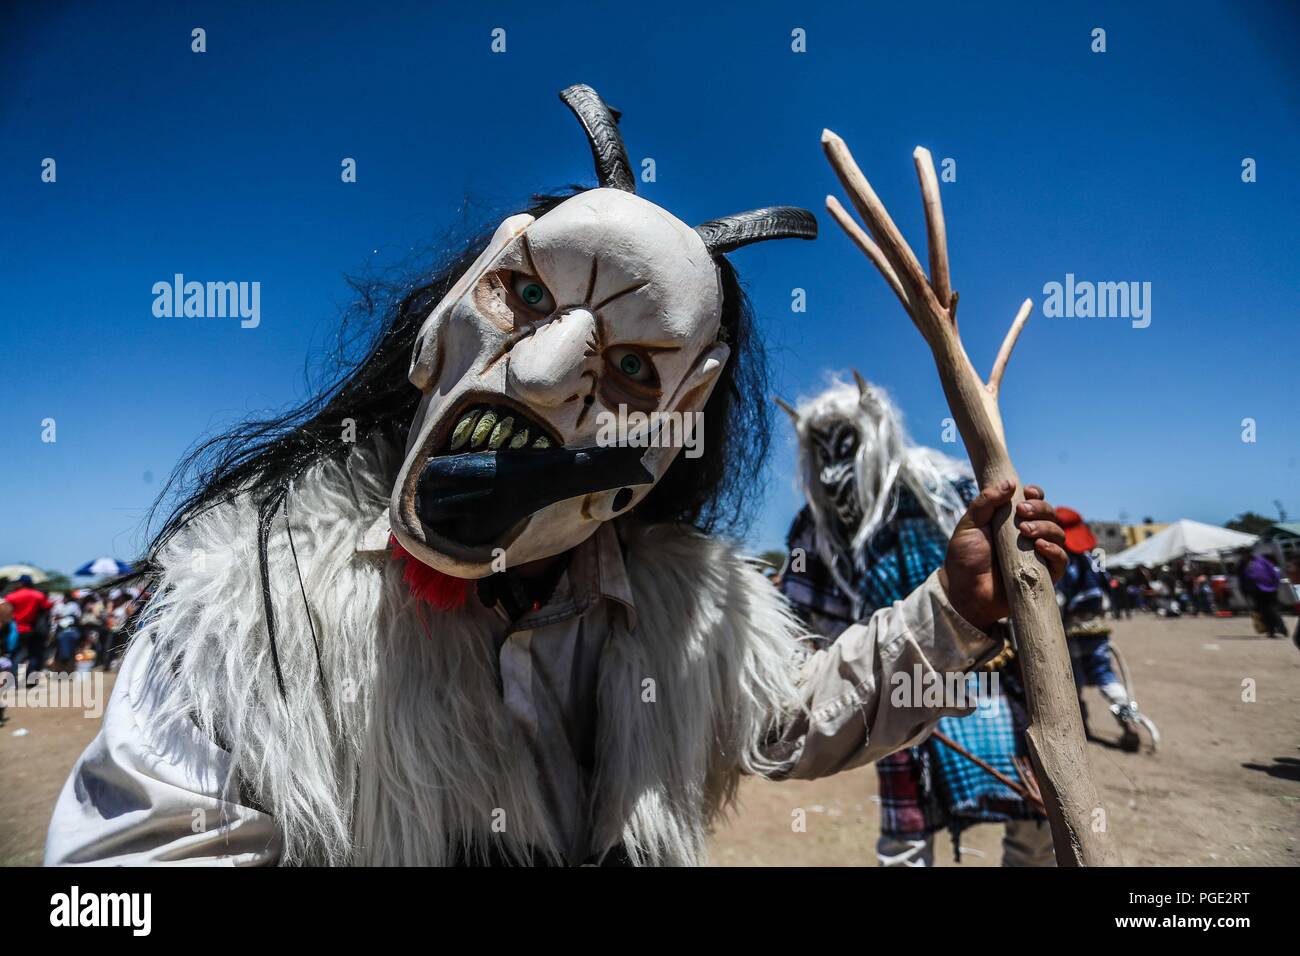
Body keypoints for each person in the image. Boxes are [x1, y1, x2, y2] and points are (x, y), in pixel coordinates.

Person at [47, 85, 1068, 866]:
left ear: (673, 433)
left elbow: (789, 717)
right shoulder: (250, 599)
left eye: (631, 366)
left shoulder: (679, 607)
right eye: (526, 296)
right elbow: (120, 869)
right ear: (437, 324)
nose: (539, 370)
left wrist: (952, 610)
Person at [777, 376, 1054, 867]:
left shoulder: (947, 491)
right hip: (893, 685)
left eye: (847, 448)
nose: (837, 471)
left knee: (1034, 819)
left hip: (986, 672)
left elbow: (1016, 580)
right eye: (823, 452)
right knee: (906, 832)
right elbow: (809, 627)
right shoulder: (815, 531)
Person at [1055, 509, 1145, 751]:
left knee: (1070, 682)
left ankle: (1079, 726)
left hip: (1070, 629)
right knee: (1106, 676)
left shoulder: (1061, 564)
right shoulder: (1093, 560)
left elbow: (1058, 600)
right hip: (1097, 627)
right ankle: (1129, 723)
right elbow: (1108, 592)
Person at [1, 575, 53, 686]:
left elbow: (5, 612)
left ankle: (11, 680)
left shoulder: (11, 596)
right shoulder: (38, 595)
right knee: (34, 654)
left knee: (15, 654)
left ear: (20, 583)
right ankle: (31, 680)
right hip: (34, 629)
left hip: (16, 630)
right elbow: (48, 607)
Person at [1240, 549, 1285, 638]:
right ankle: (1273, 630)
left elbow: (1272, 572)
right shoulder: (1245, 564)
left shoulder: (1259, 561)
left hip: (1266, 590)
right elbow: (1243, 579)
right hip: (1258, 591)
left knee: (1270, 610)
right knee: (1266, 611)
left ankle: (1279, 628)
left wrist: (1275, 585)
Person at [51, 590, 83, 673]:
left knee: (71, 651)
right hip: (61, 631)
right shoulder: (58, 606)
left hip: (72, 630)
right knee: (61, 652)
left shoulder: (74, 605)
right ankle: (61, 670)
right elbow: (54, 619)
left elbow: (78, 618)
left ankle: (68, 670)